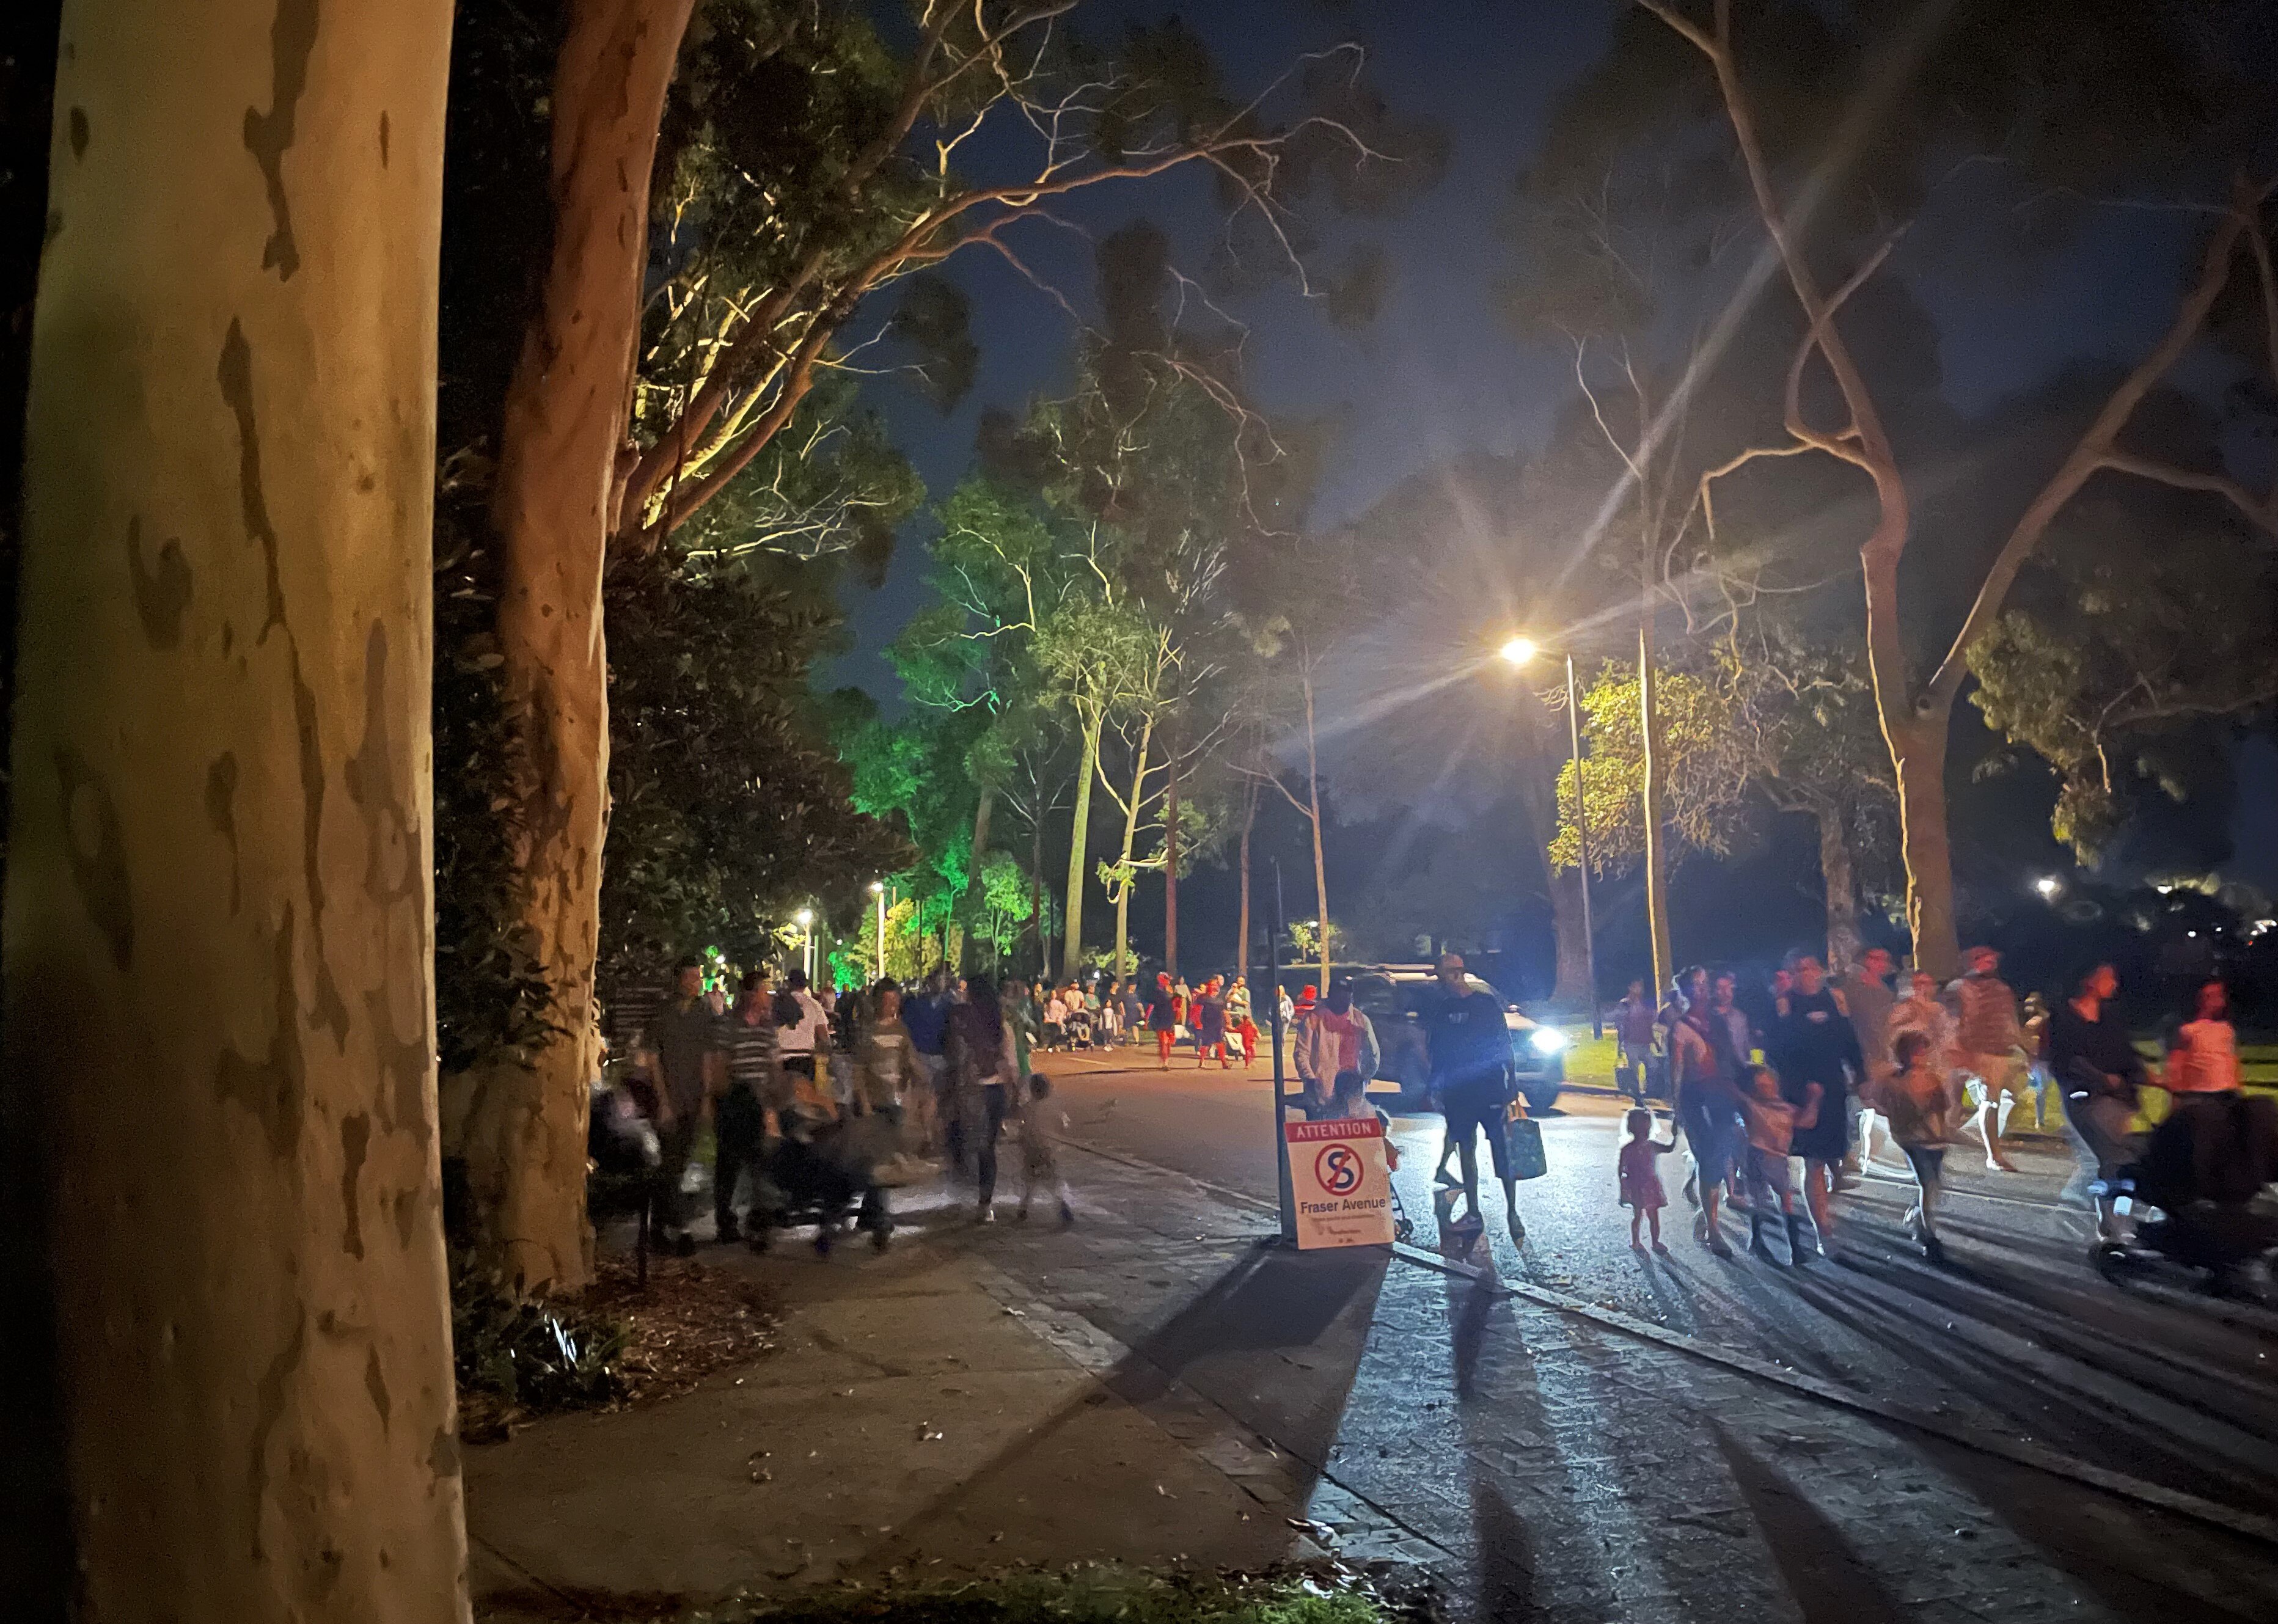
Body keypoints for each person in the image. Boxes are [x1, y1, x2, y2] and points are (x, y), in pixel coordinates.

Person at [2046, 962, 2152, 1245]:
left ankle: (2110, 1220)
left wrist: (2141, 1074)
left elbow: (2126, 1053)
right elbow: (2066, 1061)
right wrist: (2103, 1079)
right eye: (2108, 978)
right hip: (2087, 1098)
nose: (2114, 984)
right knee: (2116, 1161)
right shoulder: (2063, 1018)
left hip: (2120, 1100)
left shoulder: (2111, 1015)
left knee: (2116, 1162)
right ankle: (2114, 1228)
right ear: (2090, 980)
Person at [1425, 953, 1525, 1242]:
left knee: (1502, 1152)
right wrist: (1436, 1087)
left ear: (1456, 974)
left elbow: (1504, 1044)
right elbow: (1439, 1052)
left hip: (1490, 1090)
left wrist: (1511, 1084)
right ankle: (1474, 1210)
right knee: (1466, 1150)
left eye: (1444, 975)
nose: (1442, 982)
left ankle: (1513, 1212)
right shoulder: (1443, 1010)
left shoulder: (1485, 1005)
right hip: (1459, 1093)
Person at [634, 956, 727, 1256]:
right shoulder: (663, 1014)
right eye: (690, 978)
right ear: (678, 980)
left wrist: (707, 1098)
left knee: (681, 1163)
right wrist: (663, 1102)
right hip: (669, 1098)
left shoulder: (703, 1013)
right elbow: (653, 1059)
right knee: (671, 1164)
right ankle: (678, 1229)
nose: (695, 983)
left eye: (698, 977)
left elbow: (709, 1056)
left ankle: (661, 1227)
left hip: (693, 1097)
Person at [1771, 955, 1861, 1254]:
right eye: (1798, 969)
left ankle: (1823, 1213)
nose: (1805, 974)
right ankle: (1822, 1230)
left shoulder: (1834, 1000)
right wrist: (1803, 1087)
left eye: (1810, 968)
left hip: (1834, 1088)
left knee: (1831, 1154)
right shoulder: (1784, 1006)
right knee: (1814, 1162)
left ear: (1820, 972)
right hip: (1802, 1092)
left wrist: (1861, 1076)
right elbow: (1776, 1054)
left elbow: (1849, 1042)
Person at [1876, 1026, 1961, 1263]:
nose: (1921, 1057)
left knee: (1932, 1184)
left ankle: (1918, 1217)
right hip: (1913, 1141)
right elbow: (1886, 1108)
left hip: (1935, 1140)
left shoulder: (1931, 1079)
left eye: (1924, 1051)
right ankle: (1928, 1236)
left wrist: (1943, 1133)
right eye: (1916, 1052)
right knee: (1928, 1183)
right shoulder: (1894, 1083)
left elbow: (1942, 1108)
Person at [1946, 945, 2031, 1169]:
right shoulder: (1960, 988)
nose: (1990, 961)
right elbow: (1953, 1023)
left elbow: (2010, 1021)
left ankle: (1991, 1152)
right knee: (1965, 1103)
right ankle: (1990, 1155)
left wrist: (2020, 1046)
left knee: (1997, 1100)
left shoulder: (2002, 989)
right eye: (1984, 958)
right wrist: (1960, 1052)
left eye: (1992, 958)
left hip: (2001, 1053)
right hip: (1974, 1053)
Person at [1672, 993, 1741, 1255]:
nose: (1701, 992)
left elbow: (1731, 1060)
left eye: (1704, 985)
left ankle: (1704, 1212)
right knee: (1710, 1160)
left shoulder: (1718, 1024)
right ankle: (1714, 1232)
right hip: (1696, 1101)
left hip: (1721, 1097)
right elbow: (1676, 1069)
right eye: (1695, 986)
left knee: (1723, 1158)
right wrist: (1677, 1108)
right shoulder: (1681, 1028)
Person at [714, 968, 779, 1243]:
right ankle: (726, 1221)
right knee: (729, 1163)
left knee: (760, 1161)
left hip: (759, 1102)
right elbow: (720, 1063)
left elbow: (773, 1065)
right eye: (765, 991)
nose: (769, 997)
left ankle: (760, 1218)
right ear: (751, 995)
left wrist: (771, 1103)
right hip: (735, 1099)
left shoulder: (767, 1028)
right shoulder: (729, 1024)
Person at [947, 972, 1017, 1221]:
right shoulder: (1000, 1026)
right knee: (987, 1148)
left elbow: (957, 1055)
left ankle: (979, 1195)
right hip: (993, 1091)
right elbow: (1011, 1065)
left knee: (975, 1144)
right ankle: (985, 1202)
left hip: (973, 1090)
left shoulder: (964, 1023)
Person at [1740, 1065, 1824, 1266]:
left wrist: (1814, 1099)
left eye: (1768, 1084)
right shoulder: (1752, 1105)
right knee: (1759, 1201)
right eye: (1761, 1085)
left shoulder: (1785, 1108)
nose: (1766, 1088)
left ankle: (1793, 1249)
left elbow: (1807, 1121)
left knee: (1785, 1201)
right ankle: (1759, 1240)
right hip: (1757, 1156)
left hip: (1778, 1159)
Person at [1839, 948, 1897, 1181]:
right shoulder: (1851, 988)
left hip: (1883, 1054)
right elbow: (1846, 1022)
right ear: (1866, 961)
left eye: (1885, 959)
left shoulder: (1884, 991)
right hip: (1859, 1055)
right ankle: (1846, 1157)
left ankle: (1871, 1157)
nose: (1883, 963)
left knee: (1879, 1105)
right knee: (1856, 1106)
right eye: (1878, 959)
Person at [1295, 975, 1380, 1119]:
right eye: (1339, 994)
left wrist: (1364, 1077)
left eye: (1347, 995)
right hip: (1321, 1095)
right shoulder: (1314, 1019)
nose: (1343, 998)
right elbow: (1301, 1053)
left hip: (1353, 1095)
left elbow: (1373, 1053)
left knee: (1351, 1138)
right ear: (1330, 995)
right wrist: (1310, 1081)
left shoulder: (1360, 1020)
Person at [2163, 979, 2242, 1102]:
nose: (2217, 1002)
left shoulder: (2227, 1030)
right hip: (2199, 1094)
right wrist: (2177, 1095)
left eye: (2220, 996)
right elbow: (2177, 1064)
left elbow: (2231, 1062)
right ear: (2200, 1001)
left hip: (2226, 1093)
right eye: (2210, 997)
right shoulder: (2189, 1031)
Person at [901, 968, 951, 1154]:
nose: (941, 984)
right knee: (924, 1097)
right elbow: (907, 1030)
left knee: (936, 1098)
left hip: (941, 1057)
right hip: (921, 1056)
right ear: (930, 982)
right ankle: (927, 1135)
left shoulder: (950, 1006)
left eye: (943, 980)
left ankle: (931, 1134)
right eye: (938, 980)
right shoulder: (917, 1005)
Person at [1017, 1071, 1075, 1224]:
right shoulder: (1054, 1109)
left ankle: (1024, 1207)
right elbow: (1063, 1126)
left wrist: (1022, 1142)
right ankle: (1062, 1206)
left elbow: (1023, 1130)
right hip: (1047, 1150)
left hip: (1032, 1151)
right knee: (1052, 1180)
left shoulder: (1027, 1108)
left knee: (1030, 1180)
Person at [1619, 1108, 1677, 1253]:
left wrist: (1674, 1134)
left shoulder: (1633, 1148)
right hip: (1642, 1186)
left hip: (1643, 1185)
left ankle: (1647, 1242)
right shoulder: (1646, 1146)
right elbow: (1621, 1170)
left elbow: (1621, 1171)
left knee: (1647, 1216)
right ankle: (1641, 1242)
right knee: (1643, 1216)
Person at [1614, 979, 1656, 1103]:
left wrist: (1654, 1041)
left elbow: (1649, 1024)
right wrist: (1620, 1044)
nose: (1639, 989)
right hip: (1631, 1042)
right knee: (1634, 1068)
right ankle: (1636, 1093)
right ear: (1630, 988)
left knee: (1653, 1065)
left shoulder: (1645, 1004)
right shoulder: (1625, 1004)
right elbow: (1620, 1024)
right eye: (1636, 987)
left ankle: (1648, 1091)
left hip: (1644, 1043)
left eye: (1640, 987)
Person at [1193, 977, 1233, 1069]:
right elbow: (1196, 1010)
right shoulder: (1203, 998)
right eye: (1212, 985)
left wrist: (1228, 1022)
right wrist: (1197, 1022)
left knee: (1220, 1043)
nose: (1214, 987)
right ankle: (1202, 1062)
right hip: (1207, 1023)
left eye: (1216, 985)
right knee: (1205, 1044)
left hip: (1218, 1023)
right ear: (1209, 986)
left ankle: (1224, 1063)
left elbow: (1225, 1011)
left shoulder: (1221, 997)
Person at [1146, 972, 1179, 1069]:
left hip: (1169, 1017)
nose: (1168, 981)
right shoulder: (1157, 992)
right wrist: (1147, 1018)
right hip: (1160, 1017)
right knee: (1164, 1040)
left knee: (1169, 1041)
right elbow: (1152, 1006)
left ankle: (1165, 1059)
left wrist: (1177, 1014)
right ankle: (1165, 1062)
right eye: (1166, 979)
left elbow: (1175, 1005)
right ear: (1161, 980)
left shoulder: (1169, 990)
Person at [1226, 976, 1257, 1065]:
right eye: (1239, 981)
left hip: (1242, 1015)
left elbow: (1247, 1003)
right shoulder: (1232, 990)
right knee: (1234, 1034)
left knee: (1244, 1034)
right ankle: (1236, 1052)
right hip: (1233, 1014)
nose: (1240, 983)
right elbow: (1227, 998)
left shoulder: (1245, 992)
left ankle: (1246, 1053)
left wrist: (1235, 1000)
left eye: (1241, 981)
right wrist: (1231, 993)